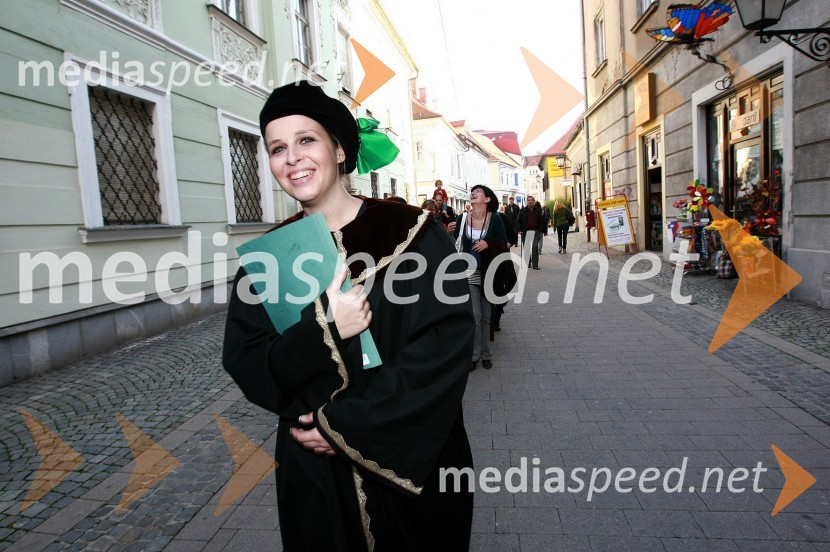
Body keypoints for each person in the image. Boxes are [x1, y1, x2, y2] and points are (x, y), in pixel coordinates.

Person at [222, 81, 475, 551]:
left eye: (306, 139)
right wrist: (327, 328)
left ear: (339, 149)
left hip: (410, 469)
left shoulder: (413, 234)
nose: (291, 157)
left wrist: (342, 428)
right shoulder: (269, 259)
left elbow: (444, 349)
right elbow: (249, 362)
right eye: (277, 148)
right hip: (316, 478)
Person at [453, 184, 507, 370]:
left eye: (478, 192)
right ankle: (475, 355)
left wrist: (488, 243)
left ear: (487, 199)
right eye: (472, 192)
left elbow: (503, 244)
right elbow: (456, 243)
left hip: (488, 273)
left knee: (486, 317)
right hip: (468, 273)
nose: (473, 193)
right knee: (475, 316)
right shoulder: (462, 218)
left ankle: (486, 353)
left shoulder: (495, 219)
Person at [518, 195, 543, 270]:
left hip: (535, 231)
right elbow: (518, 221)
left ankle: (535, 264)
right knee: (527, 248)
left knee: (535, 247)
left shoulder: (538, 210)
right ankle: (527, 263)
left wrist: (542, 231)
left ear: (534, 201)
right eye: (529, 200)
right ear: (527, 201)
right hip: (526, 231)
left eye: (531, 200)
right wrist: (519, 230)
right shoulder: (523, 210)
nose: (530, 201)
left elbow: (542, 221)